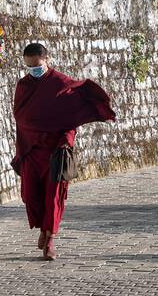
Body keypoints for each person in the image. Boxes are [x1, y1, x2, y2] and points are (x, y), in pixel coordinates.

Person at [12, 42, 115, 260]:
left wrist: (66, 141)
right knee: (31, 196)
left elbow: (71, 117)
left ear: (46, 60)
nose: (34, 71)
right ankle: (43, 228)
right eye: (29, 67)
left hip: (54, 152)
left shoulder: (60, 83)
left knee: (53, 197)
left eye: (37, 66)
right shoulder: (23, 86)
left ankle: (50, 240)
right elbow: (20, 118)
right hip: (31, 150)